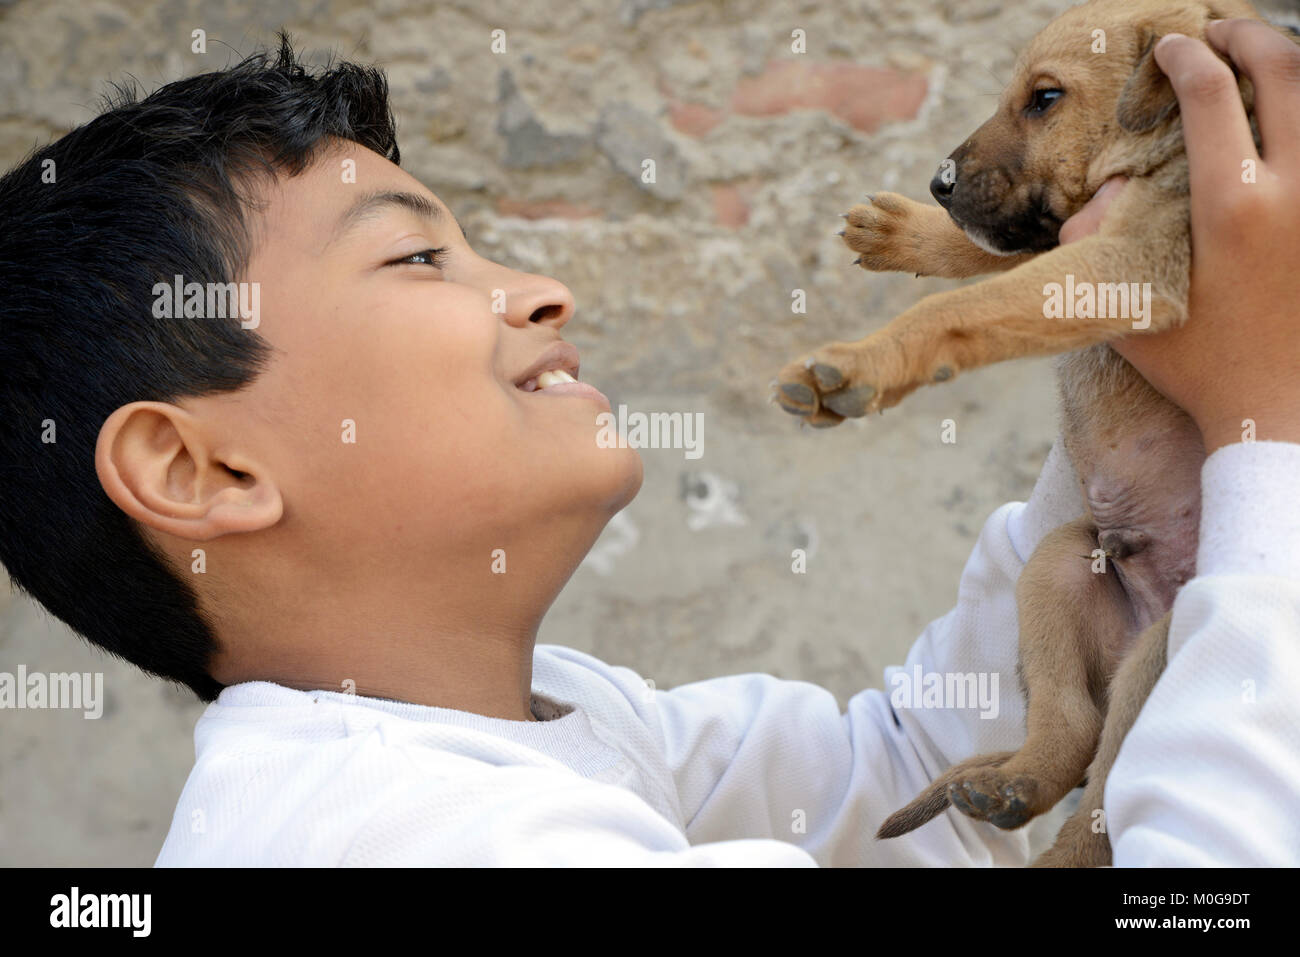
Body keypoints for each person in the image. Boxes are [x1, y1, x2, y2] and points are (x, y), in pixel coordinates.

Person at [0, 21, 1293, 866]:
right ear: (201, 470)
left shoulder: (542, 725)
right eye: (414, 256)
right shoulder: (404, 840)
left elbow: (901, 776)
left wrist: (1167, 383)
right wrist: (1269, 430)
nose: (539, 287)